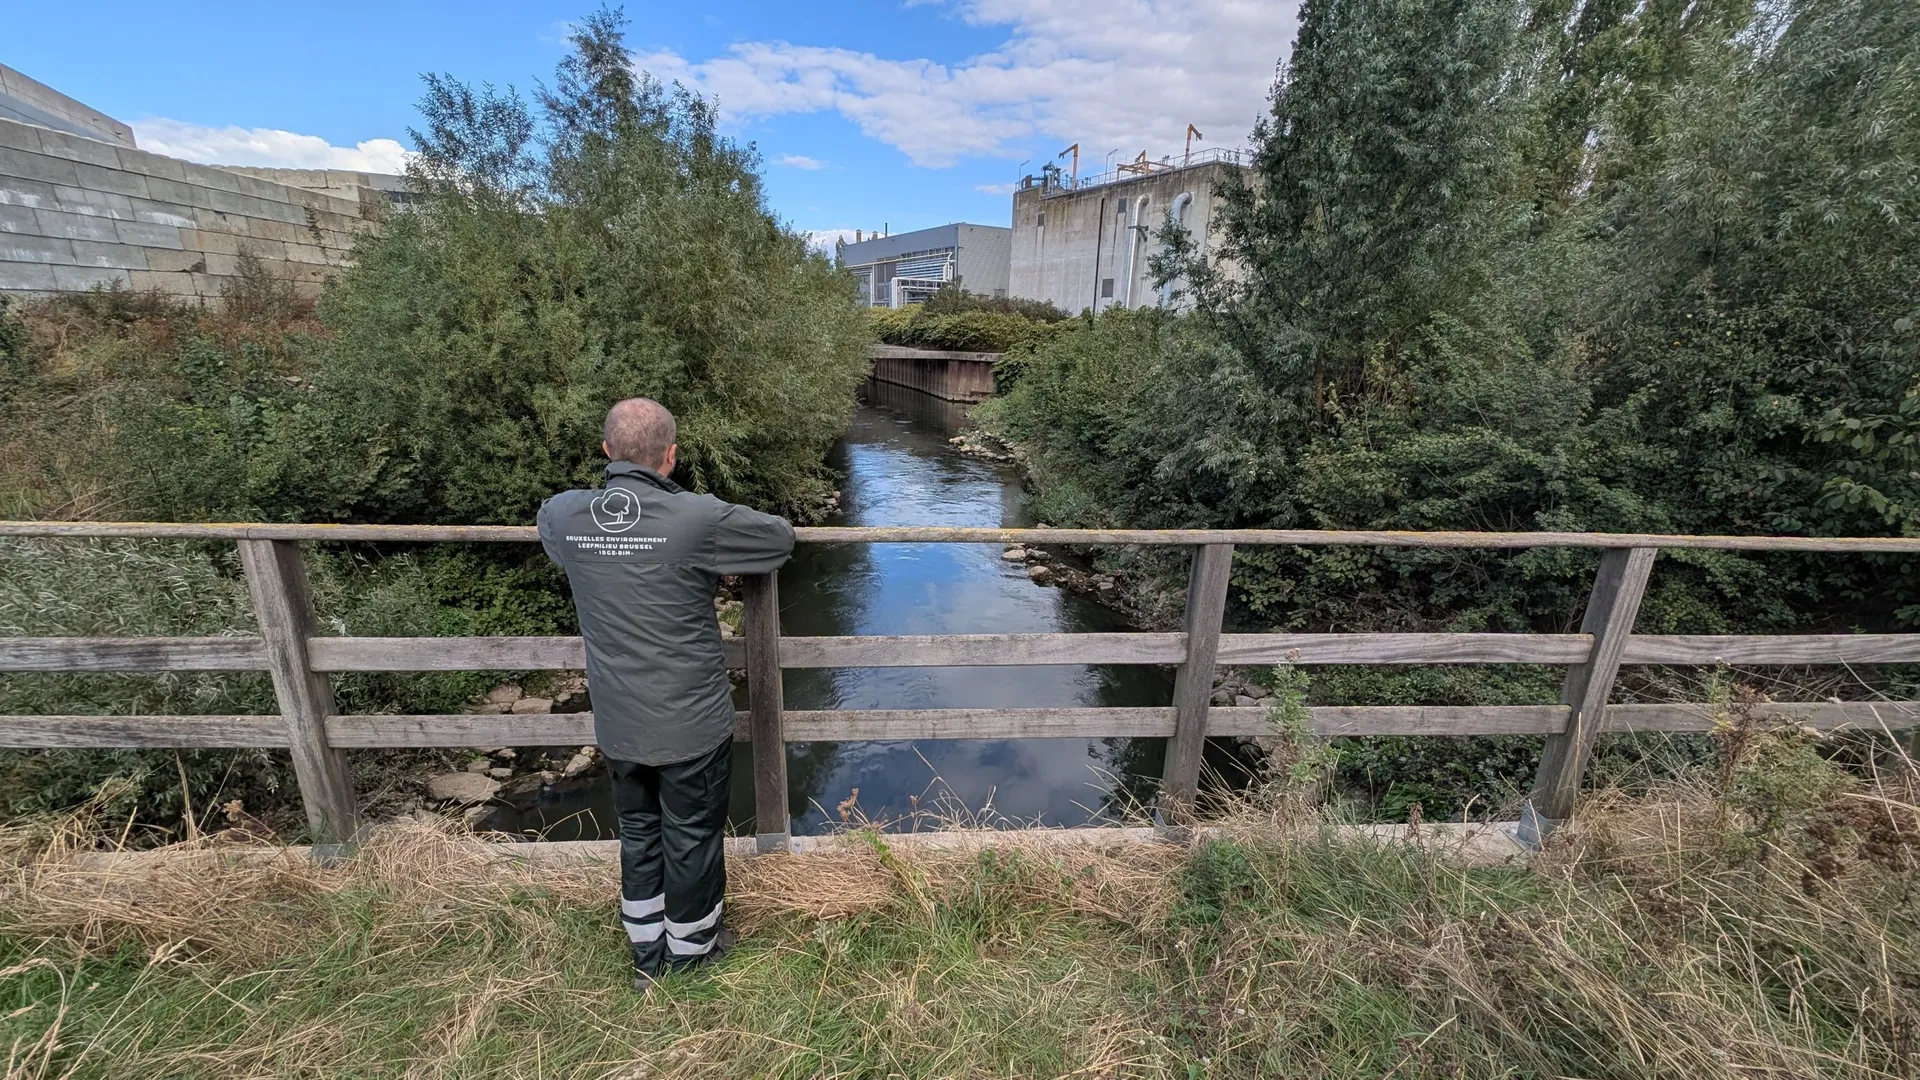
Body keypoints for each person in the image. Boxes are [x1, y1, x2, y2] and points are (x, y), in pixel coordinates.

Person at [538, 397, 795, 987]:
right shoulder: (699, 519)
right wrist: (682, 509)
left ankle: (645, 949)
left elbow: (549, 520)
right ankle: (692, 950)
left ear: (606, 452)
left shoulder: (567, 517)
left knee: (639, 830)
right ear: (672, 456)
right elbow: (778, 541)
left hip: (619, 720)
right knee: (691, 835)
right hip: (689, 722)